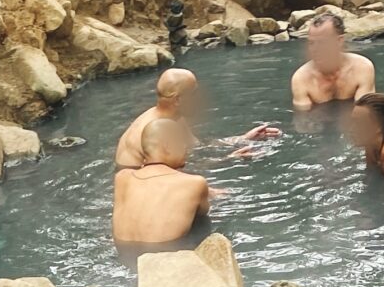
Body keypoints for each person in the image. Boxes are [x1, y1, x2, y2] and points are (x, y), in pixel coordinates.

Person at [117, 67, 276, 167]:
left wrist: (243, 139)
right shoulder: (154, 132)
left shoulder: (175, 117)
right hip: (139, 181)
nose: (200, 98)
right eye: (194, 93)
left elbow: (198, 147)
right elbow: (168, 175)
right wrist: (229, 160)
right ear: (178, 99)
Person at [112, 116, 213, 244]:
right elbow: (203, 213)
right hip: (168, 256)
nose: (186, 149)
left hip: (124, 257)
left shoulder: (122, 178)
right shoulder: (196, 183)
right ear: (168, 145)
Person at [291, 10, 377, 108]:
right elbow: (303, 119)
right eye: (311, 43)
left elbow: (366, 113)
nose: (315, 50)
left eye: (322, 43)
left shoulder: (362, 67)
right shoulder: (301, 79)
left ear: (339, 41)